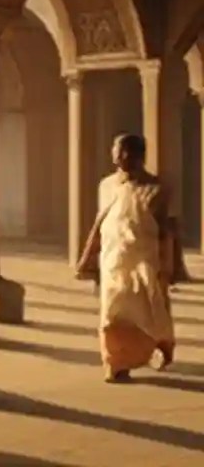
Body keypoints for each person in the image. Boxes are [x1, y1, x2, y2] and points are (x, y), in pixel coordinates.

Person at [76, 133, 175, 382]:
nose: (117, 156)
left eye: (122, 151)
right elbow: (101, 222)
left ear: (137, 155)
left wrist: (170, 266)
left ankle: (159, 345)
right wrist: (88, 257)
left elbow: (167, 230)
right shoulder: (107, 185)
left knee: (149, 310)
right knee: (112, 312)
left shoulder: (156, 189)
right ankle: (116, 364)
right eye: (115, 150)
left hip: (144, 260)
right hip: (113, 258)